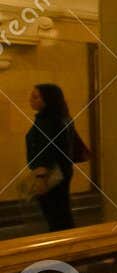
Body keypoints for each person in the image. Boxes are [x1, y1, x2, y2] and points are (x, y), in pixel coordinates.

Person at [24, 83, 82, 231]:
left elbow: (46, 148)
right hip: (63, 170)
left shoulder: (47, 119)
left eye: (35, 97)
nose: (31, 99)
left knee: (55, 216)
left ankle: (65, 247)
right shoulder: (62, 117)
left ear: (47, 99)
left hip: (52, 174)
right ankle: (70, 245)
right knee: (62, 213)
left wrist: (41, 178)